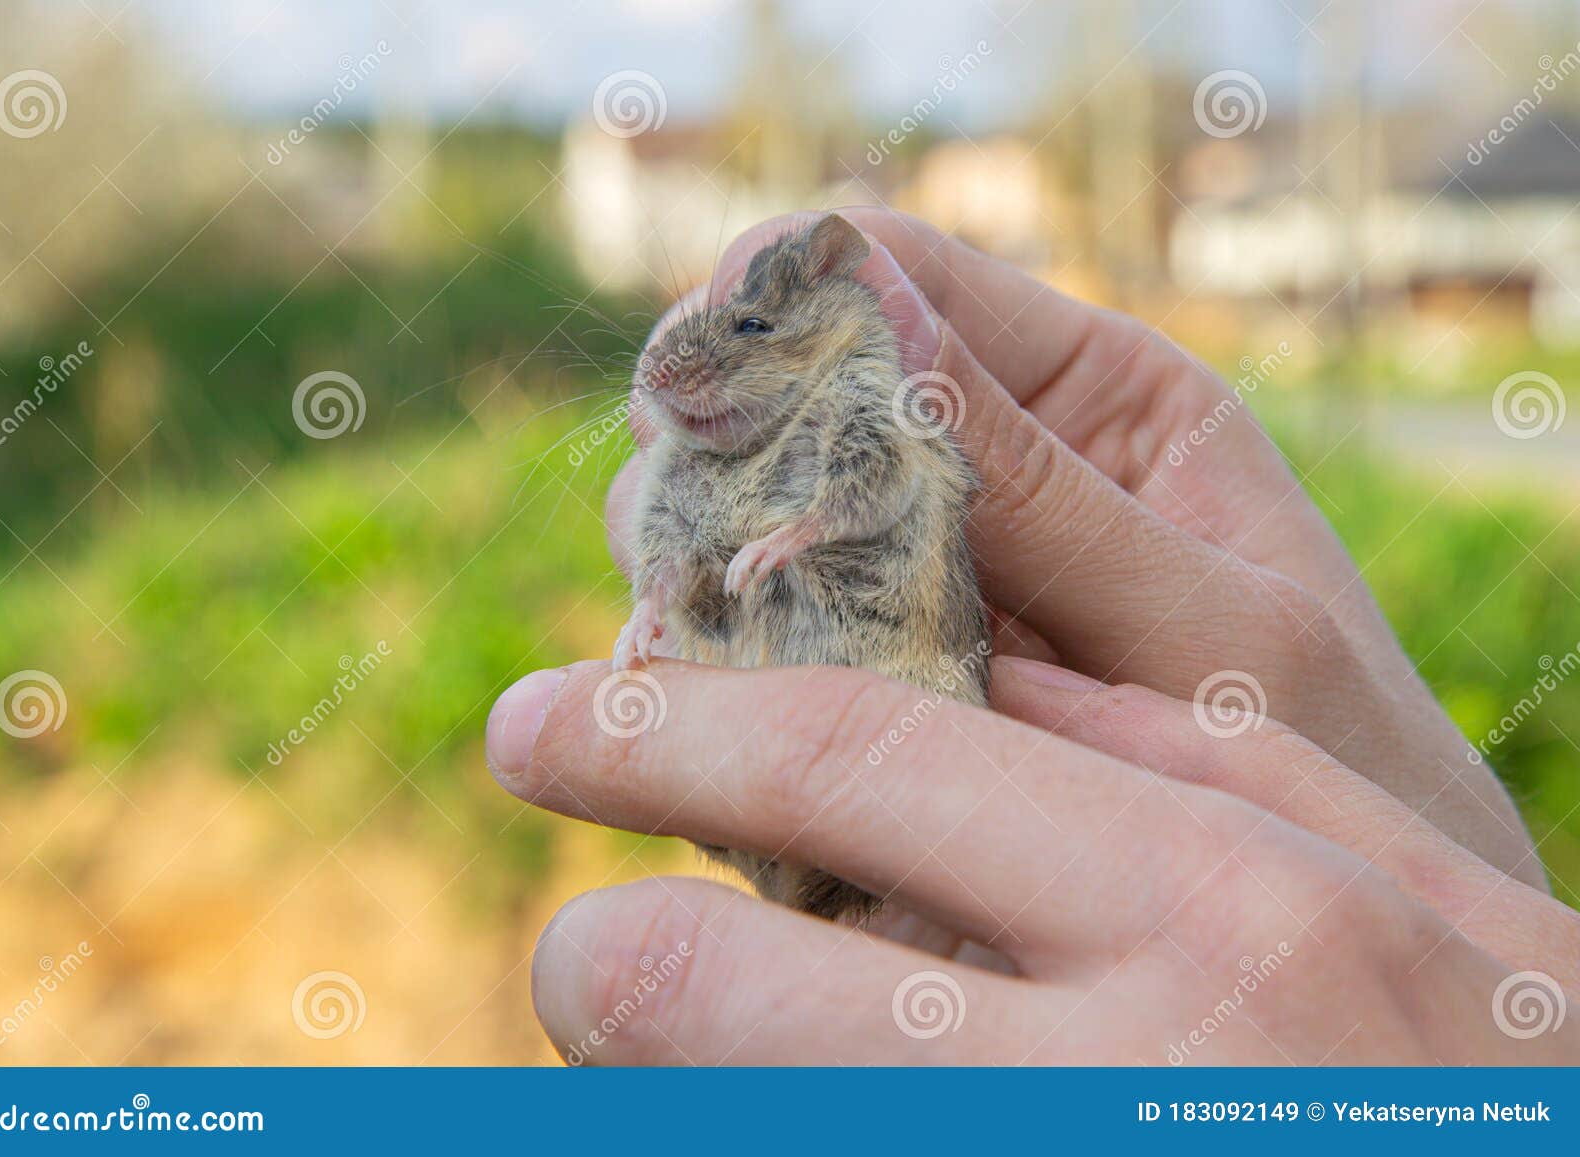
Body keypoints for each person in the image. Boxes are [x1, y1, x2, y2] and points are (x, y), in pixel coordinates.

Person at [485, 208, 1580, 1064]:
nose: (682, 368)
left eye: (751, 329)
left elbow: (877, 483)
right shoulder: (709, 440)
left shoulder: (869, 387)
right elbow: (674, 529)